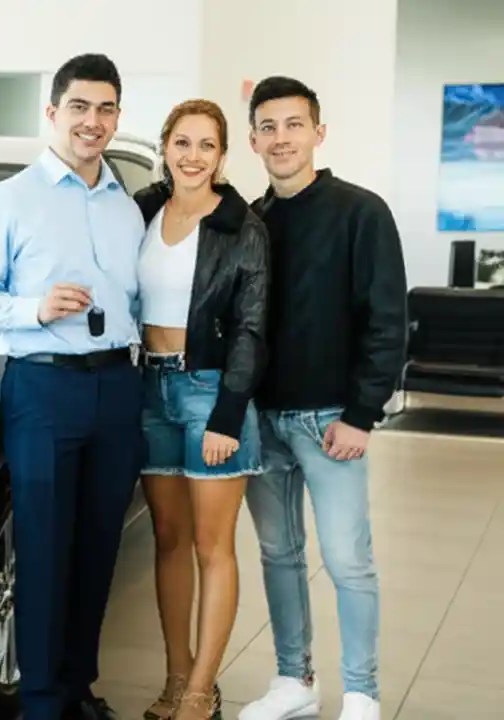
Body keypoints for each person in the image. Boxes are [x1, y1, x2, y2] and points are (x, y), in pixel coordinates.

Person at [0, 53, 145, 720]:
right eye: (80, 108)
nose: (93, 122)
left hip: (119, 388)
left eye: (106, 109)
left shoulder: (127, 206)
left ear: (118, 116)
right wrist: (33, 308)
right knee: (42, 546)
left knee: (98, 546)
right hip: (43, 389)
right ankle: (39, 702)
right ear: (53, 112)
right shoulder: (8, 200)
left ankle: (76, 689)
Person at [238, 77, 407, 720]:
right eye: (268, 127)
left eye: (293, 125)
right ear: (254, 139)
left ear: (318, 132)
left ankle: (361, 691)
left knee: (347, 561)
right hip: (263, 420)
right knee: (279, 555)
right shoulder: (253, 220)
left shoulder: (361, 211)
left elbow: (387, 319)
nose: (281, 138)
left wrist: (363, 413)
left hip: (331, 421)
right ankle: (294, 681)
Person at [131, 99, 271, 720]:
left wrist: (227, 414)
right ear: (165, 147)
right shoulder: (139, 212)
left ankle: (201, 690)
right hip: (149, 389)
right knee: (167, 538)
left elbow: (251, 325)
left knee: (213, 547)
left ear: (222, 155)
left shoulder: (241, 225)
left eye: (206, 145)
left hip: (210, 388)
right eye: (182, 143)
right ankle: (175, 675)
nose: (192, 156)